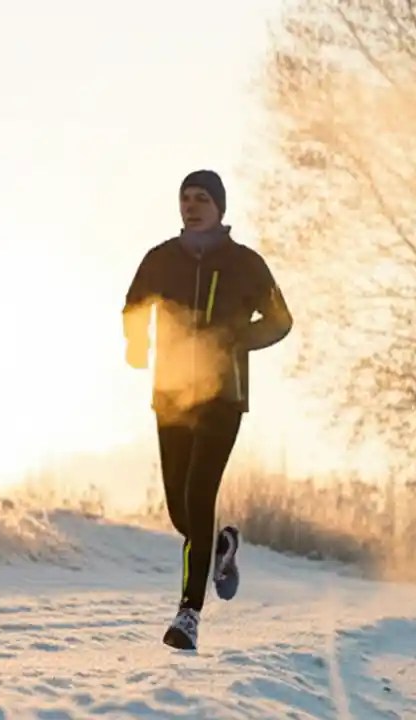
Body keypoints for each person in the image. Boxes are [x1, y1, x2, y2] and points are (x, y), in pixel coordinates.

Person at [122, 169, 294, 650]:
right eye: (185, 198)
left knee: (199, 496)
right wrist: (136, 343)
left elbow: (281, 320)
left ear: (219, 207)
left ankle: (188, 615)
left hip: (223, 397)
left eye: (201, 198)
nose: (191, 205)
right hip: (172, 396)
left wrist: (239, 338)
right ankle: (220, 546)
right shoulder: (160, 259)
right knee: (180, 507)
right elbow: (134, 304)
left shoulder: (245, 263)